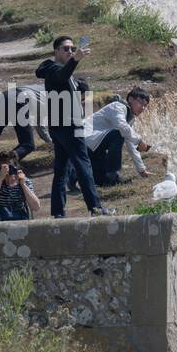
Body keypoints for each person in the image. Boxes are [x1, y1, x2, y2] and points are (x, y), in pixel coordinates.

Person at [35, 36, 112, 217]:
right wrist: (76, 59)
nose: (70, 51)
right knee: (83, 165)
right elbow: (61, 76)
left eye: (72, 48)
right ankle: (96, 208)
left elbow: (71, 82)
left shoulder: (63, 72)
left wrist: (79, 83)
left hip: (60, 126)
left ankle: (58, 213)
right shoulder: (53, 68)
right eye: (66, 49)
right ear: (56, 51)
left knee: (61, 170)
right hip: (68, 125)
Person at [69, 87, 154, 187]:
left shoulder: (129, 118)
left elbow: (131, 144)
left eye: (145, 106)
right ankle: (113, 174)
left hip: (95, 147)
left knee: (103, 182)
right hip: (84, 141)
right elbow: (122, 127)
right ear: (130, 99)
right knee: (118, 134)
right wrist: (139, 141)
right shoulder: (118, 107)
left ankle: (75, 173)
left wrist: (141, 169)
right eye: (141, 103)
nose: (142, 108)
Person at [0, 152, 41, 222]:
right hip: (1, 216)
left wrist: (23, 184)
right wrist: (0, 179)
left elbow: (36, 207)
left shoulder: (24, 180)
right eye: (4, 167)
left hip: (19, 216)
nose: (8, 170)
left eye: (10, 166)